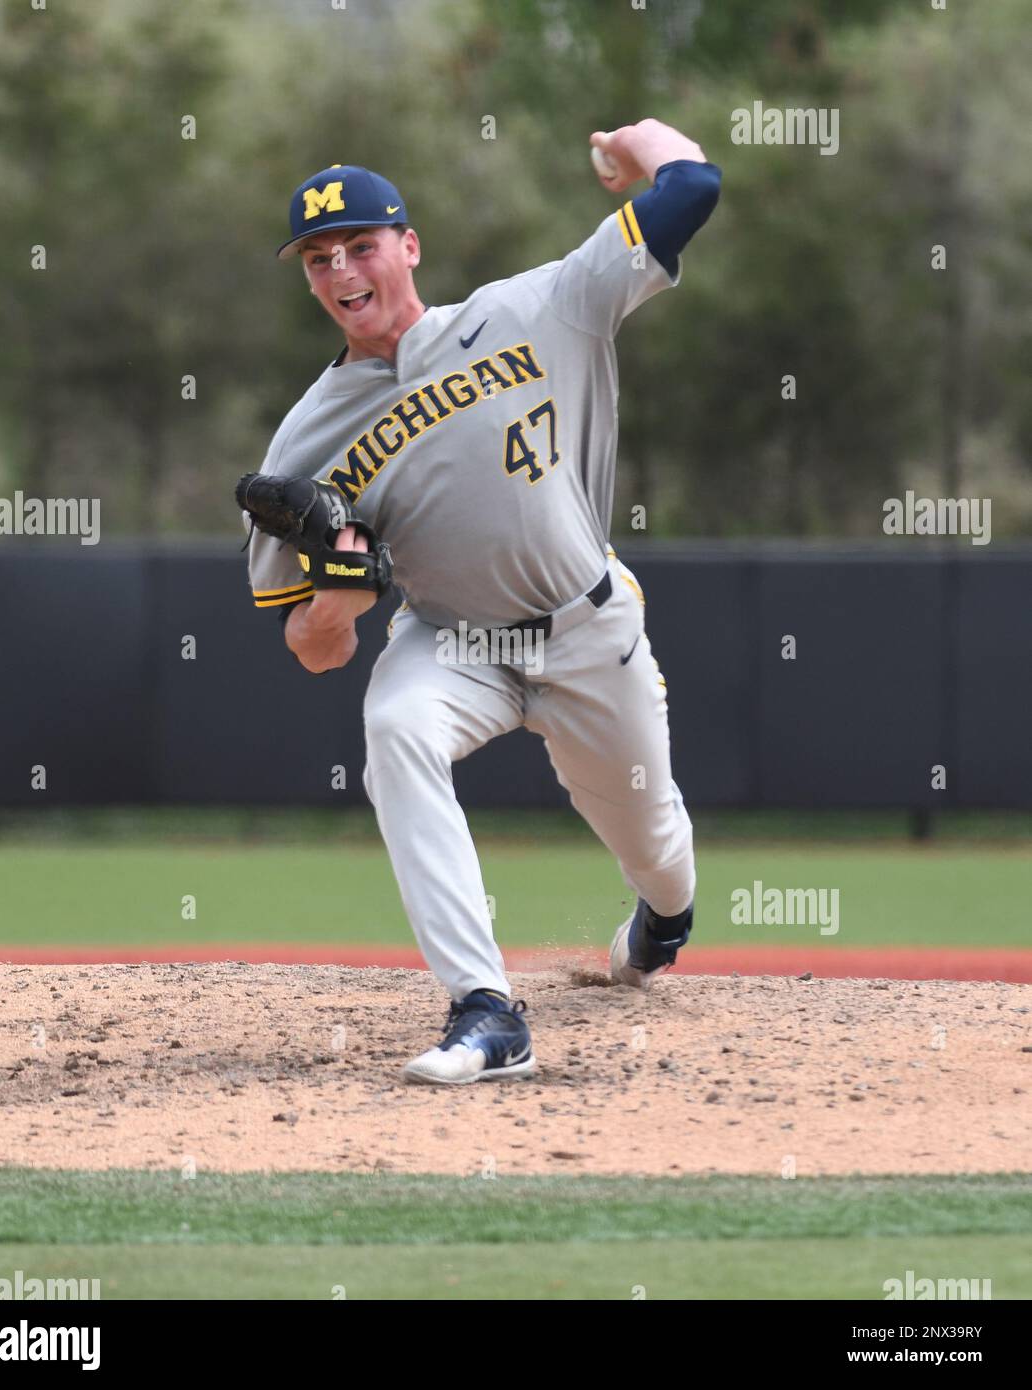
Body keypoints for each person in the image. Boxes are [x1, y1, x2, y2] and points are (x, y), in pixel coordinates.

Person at [243, 121, 722, 1085]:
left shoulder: (534, 310)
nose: (342, 270)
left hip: (588, 631)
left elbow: (694, 186)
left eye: (362, 246)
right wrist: (335, 604)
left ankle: (662, 920)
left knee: (657, 850)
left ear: (407, 246)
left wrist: (632, 142)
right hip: (453, 641)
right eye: (319, 258)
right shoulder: (304, 441)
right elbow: (312, 649)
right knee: (393, 727)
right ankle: (484, 1007)